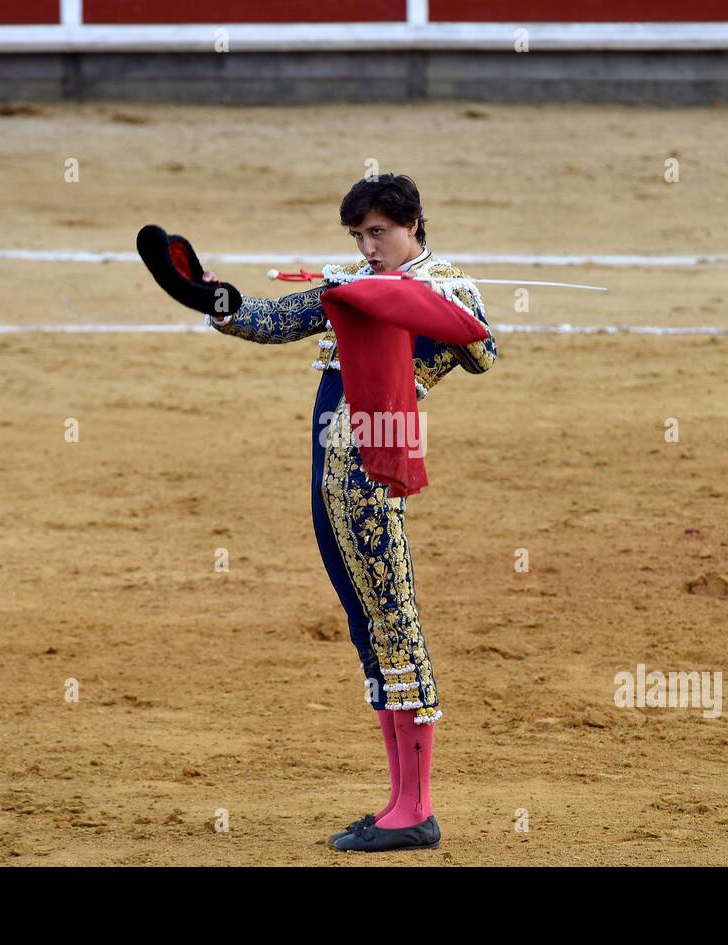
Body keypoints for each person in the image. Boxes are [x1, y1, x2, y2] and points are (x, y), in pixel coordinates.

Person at [147, 174, 497, 852]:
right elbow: (275, 320)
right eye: (358, 236)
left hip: (375, 469)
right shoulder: (349, 286)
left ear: (414, 226)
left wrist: (398, 294)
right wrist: (215, 299)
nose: (367, 248)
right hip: (330, 476)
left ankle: (418, 809)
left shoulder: (449, 287)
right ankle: (399, 802)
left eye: (379, 234)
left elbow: (480, 346)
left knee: (395, 621)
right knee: (366, 626)